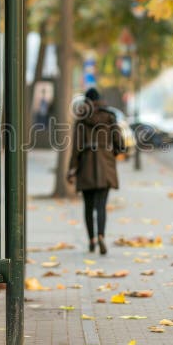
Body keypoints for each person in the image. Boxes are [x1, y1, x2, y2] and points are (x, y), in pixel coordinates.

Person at [67, 88, 125, 254]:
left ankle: (91, 240)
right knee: (101, 206)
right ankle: (101, 236)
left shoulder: (81, 119)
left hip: (85, 166)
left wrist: (71, 169)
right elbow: (120, 143)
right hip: (105, 166)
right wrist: (110, 154)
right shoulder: (110, 117)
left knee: (88, 206)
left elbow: (76, 149)